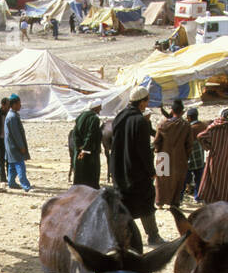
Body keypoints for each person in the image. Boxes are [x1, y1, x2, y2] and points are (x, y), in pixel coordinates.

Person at [110, 85, 161, 244]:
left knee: (124, 204)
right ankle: (153, 236)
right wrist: (151, 171)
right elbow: (144, 151)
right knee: (146, 201)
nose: (147, 104)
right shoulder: (140, 121)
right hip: (136, 172)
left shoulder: (119, 117)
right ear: (141, 103)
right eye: (146, 101)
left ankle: (122, 237)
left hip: (119, 169)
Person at [196, 108, 228, 206]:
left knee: (212, 184)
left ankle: (213, 205)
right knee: (227, 185)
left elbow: (200, 136)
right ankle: (227, 206)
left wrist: (208, 147)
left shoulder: (212, 128)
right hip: (227, 163)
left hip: (213, 160)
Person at [153, 97, 195, 208]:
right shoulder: (186, 126)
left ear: (172, 111)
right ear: (182, 112)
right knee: (177, 180)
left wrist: (158, 151)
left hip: (163, 156)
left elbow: (156, 142)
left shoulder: (162, 125)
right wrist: (186, 156)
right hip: (179, 158)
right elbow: (189, 144)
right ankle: (174, 203)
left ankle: (159, 202)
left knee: (162, 180)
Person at [69, 100, 103, 189]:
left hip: (79, 151)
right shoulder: (94, 119)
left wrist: (79, 148)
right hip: (90, 152)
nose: (101, 109)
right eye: (100, 107)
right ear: (96, 108)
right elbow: (91, 135)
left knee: (79, 174)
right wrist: (85, 150)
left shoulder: (80, 116)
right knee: (91, 175)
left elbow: (75, 134)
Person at [3, 94, 32, 192]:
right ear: (14, 104)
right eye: (19, 104)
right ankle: (26, 185)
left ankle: (11, 182)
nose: (20, 105)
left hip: (10, 147)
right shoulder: (12, 117)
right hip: (14, 146)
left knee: (12, 165)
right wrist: (21, 146)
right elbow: (16, 134)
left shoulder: (11, 115)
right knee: (20, 165)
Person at [185, 107, 206, 201]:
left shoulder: (189, 128)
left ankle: (180, 198)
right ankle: (198, 197)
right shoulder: (203, 126)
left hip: (189, 159)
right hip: (200, 158)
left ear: (189, 117)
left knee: (184, 179)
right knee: (199, 179)